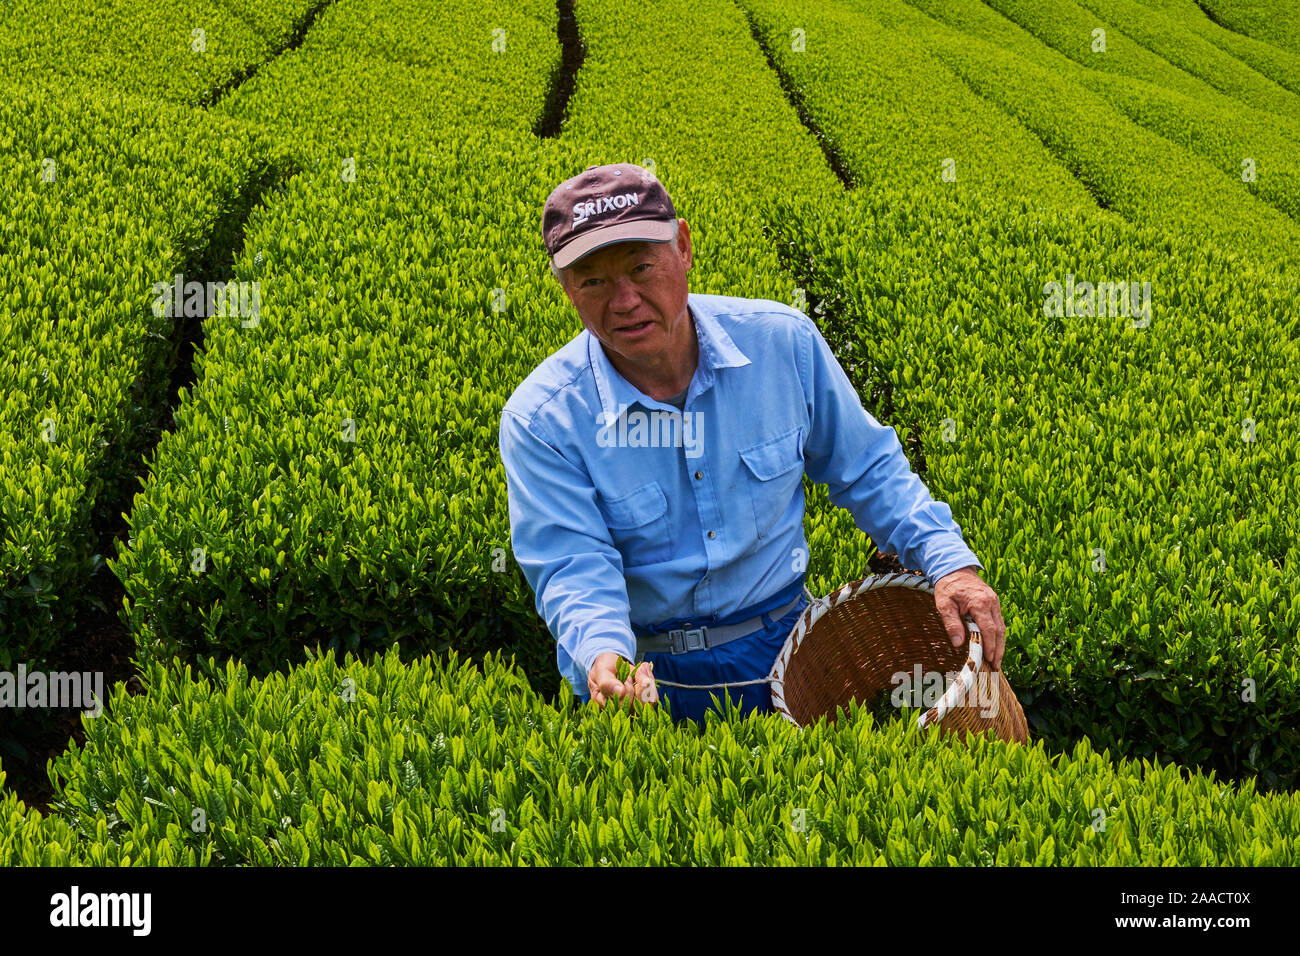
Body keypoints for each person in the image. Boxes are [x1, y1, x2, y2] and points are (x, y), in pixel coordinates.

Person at [498, 162, 1006, 724]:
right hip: (648, 674)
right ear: (566, 288)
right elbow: (573, 563)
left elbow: (868, 469)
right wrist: (601, 653)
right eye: (592, 281)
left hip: (791, 654)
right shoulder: (543, 419)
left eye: (641, 268)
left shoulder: (782, 344)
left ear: (684, 247)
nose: (623, 300)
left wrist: (949, 563)